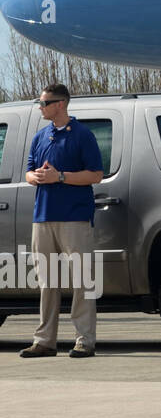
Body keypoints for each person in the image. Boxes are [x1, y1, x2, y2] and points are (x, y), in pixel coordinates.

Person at [21, 84, 104, 358]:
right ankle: (45, 340)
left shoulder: (82, 135)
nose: (40, 107)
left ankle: (84, 340)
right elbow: (29, 173)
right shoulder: (40, 137)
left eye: (44, 103)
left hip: (74, 219)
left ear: (60, 104)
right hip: (42, 218)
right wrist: (38, 177)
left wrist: (61, 177)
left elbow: (95, 175)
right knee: (47, 281)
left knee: (82, 281)